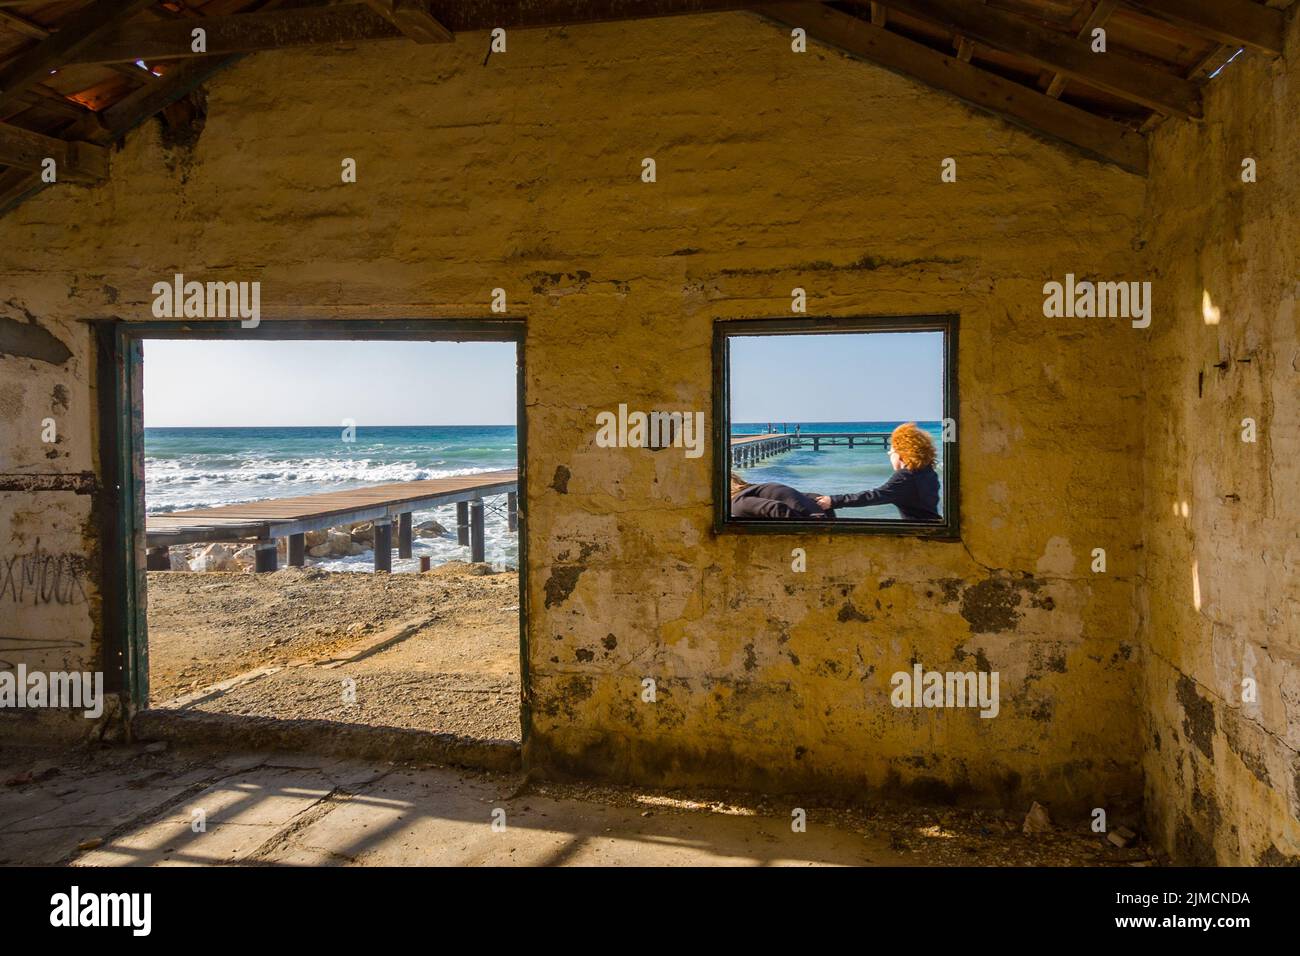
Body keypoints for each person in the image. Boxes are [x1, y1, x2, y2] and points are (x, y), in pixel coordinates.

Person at [814, 422, 940, 520]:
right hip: (932, 525)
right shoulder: (928, 473)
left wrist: (833, 501)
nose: (889, 454)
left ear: (902, 454)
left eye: (891, 451)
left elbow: (874, 496)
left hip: (921, 535)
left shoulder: (906, 476)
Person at [731, 473, 835, 520]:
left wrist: (798, 533)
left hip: (812, 523)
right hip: (820, 513)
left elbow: (776, 507)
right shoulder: (756, 489)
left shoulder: (737, 502)